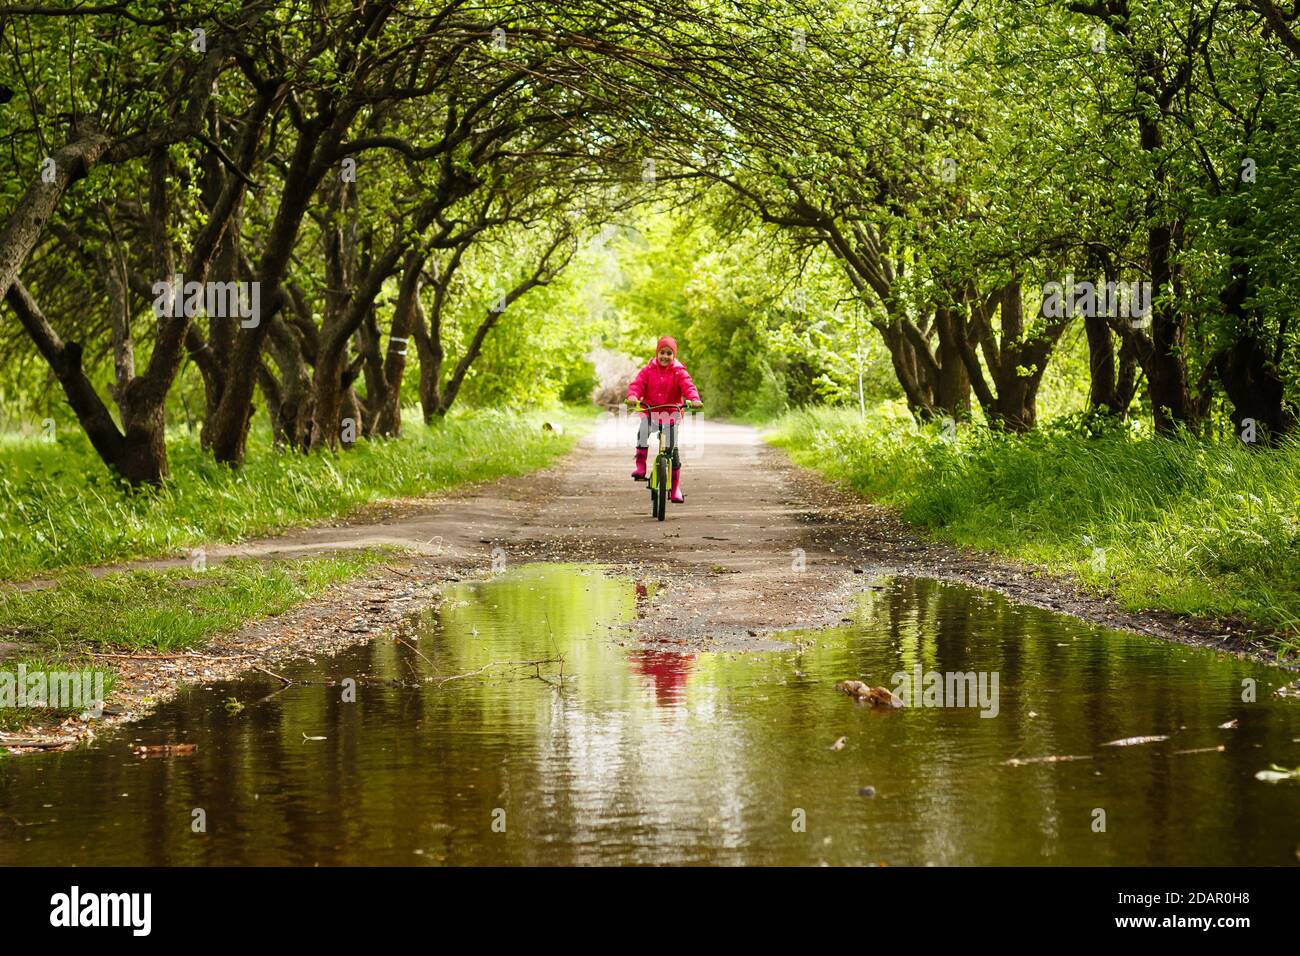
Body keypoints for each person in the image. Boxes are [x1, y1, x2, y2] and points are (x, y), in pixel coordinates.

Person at [625, 335, 702, 503]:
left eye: (669, 353)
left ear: (674, 355)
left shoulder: (679, 371)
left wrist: (694, 399)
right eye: (662, 352)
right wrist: (633, 396)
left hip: (671, 414)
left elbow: (688, 386)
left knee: (672, 450)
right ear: (657, 353)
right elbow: (637, 385)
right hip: (651, 411)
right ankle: (640, 466)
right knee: (643, 431)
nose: (665, 356)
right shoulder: (648, 370)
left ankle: (675, 488)